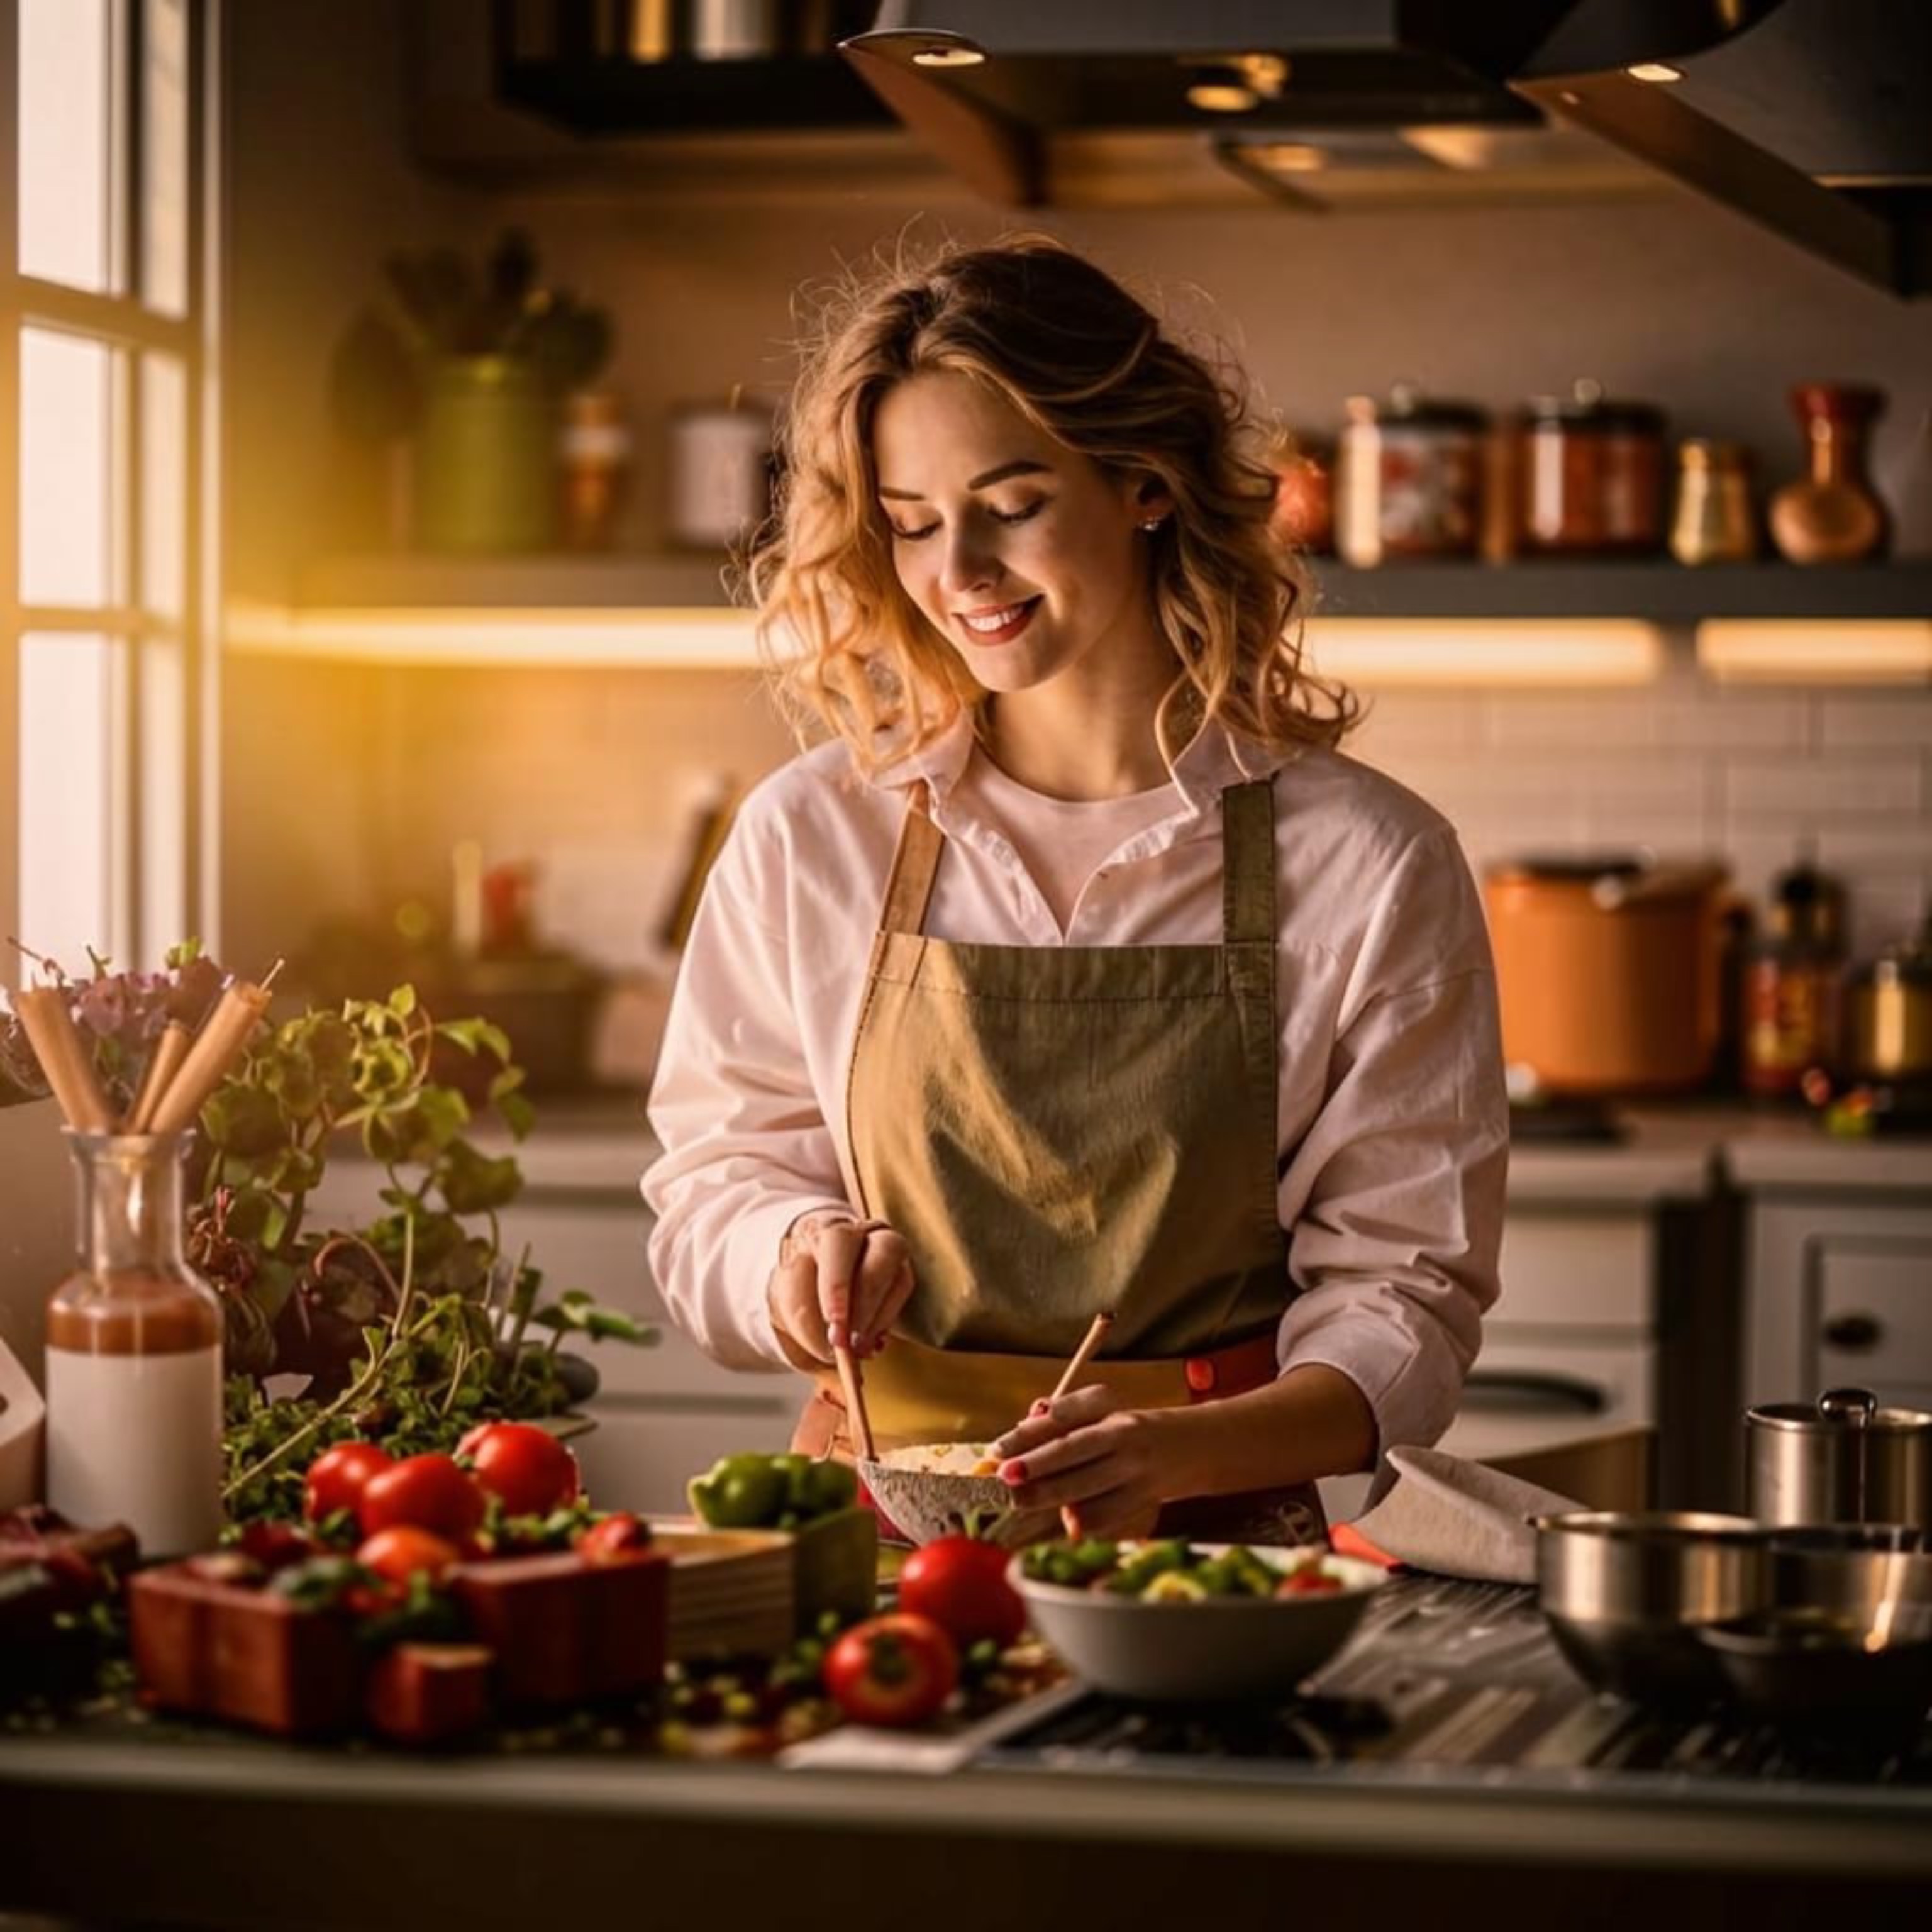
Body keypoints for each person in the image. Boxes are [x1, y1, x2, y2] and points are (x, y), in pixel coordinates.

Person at [643, 233, 1507, 1544]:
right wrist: (785, 1254)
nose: (959, 575)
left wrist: (1176, 1454)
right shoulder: (811, 835)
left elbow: (1407, 1298)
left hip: (1211, 1548)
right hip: (866, 1545)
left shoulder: (1368, 861)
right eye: (914, 524)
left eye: (1014, 501)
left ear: (1144, 484)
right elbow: (714, 1185)